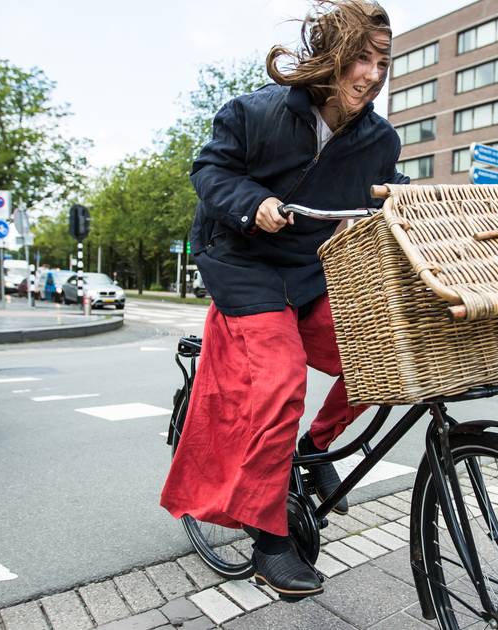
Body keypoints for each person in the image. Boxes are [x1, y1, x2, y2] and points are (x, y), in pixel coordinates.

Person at [160, 0, 407, 598]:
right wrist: (253, 203)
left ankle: (317, 447)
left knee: (381, 358)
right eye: (360, 59)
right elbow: (210, 172)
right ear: (331, 59)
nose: (372, 74)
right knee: (279, 378)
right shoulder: (252, 112)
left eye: (382, 61)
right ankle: (270, 542)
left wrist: (410, 200)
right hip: (241, 259)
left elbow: (384, 192)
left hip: (310, 268)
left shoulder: (379, 138)